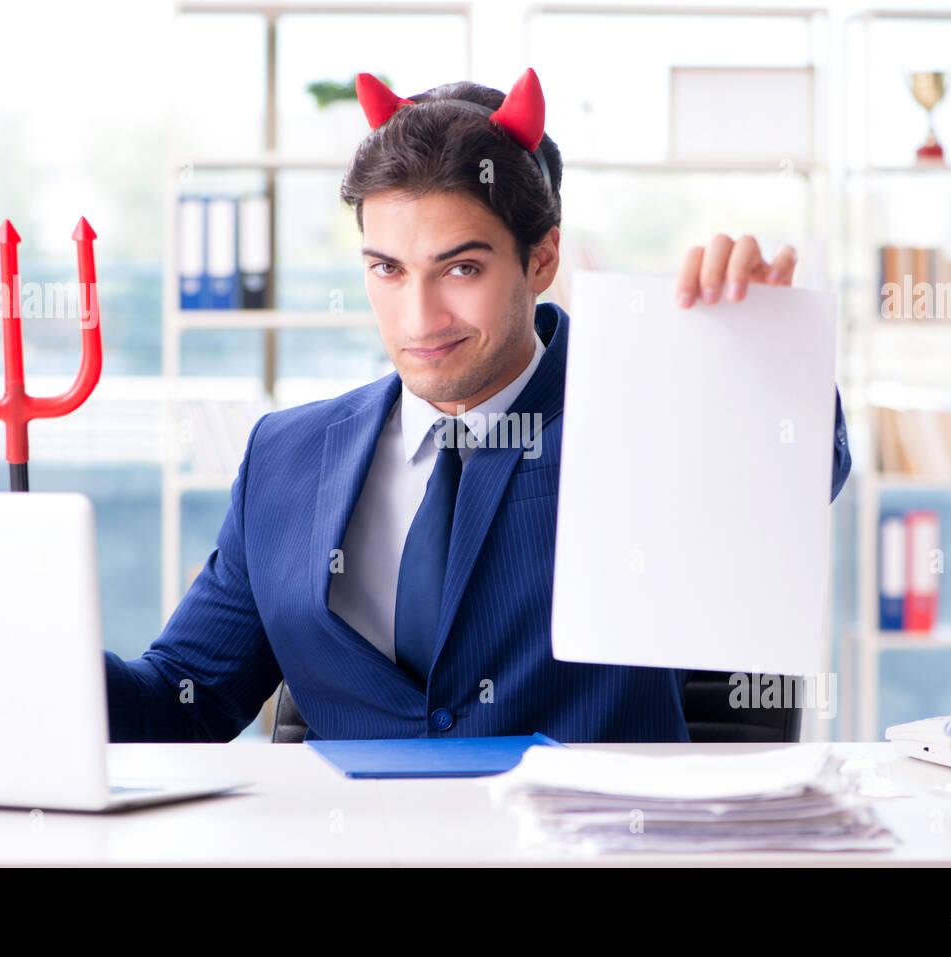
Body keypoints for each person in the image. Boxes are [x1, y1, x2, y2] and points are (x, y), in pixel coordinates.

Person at [105, 69, 851, 742]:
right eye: (388, 270)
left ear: (542, 259)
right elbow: (181, 703)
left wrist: (762, 361)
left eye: (461, 268)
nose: (419, 318)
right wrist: (50, 659)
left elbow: (796, 473)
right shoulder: (285, 456)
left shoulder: (647, 414)